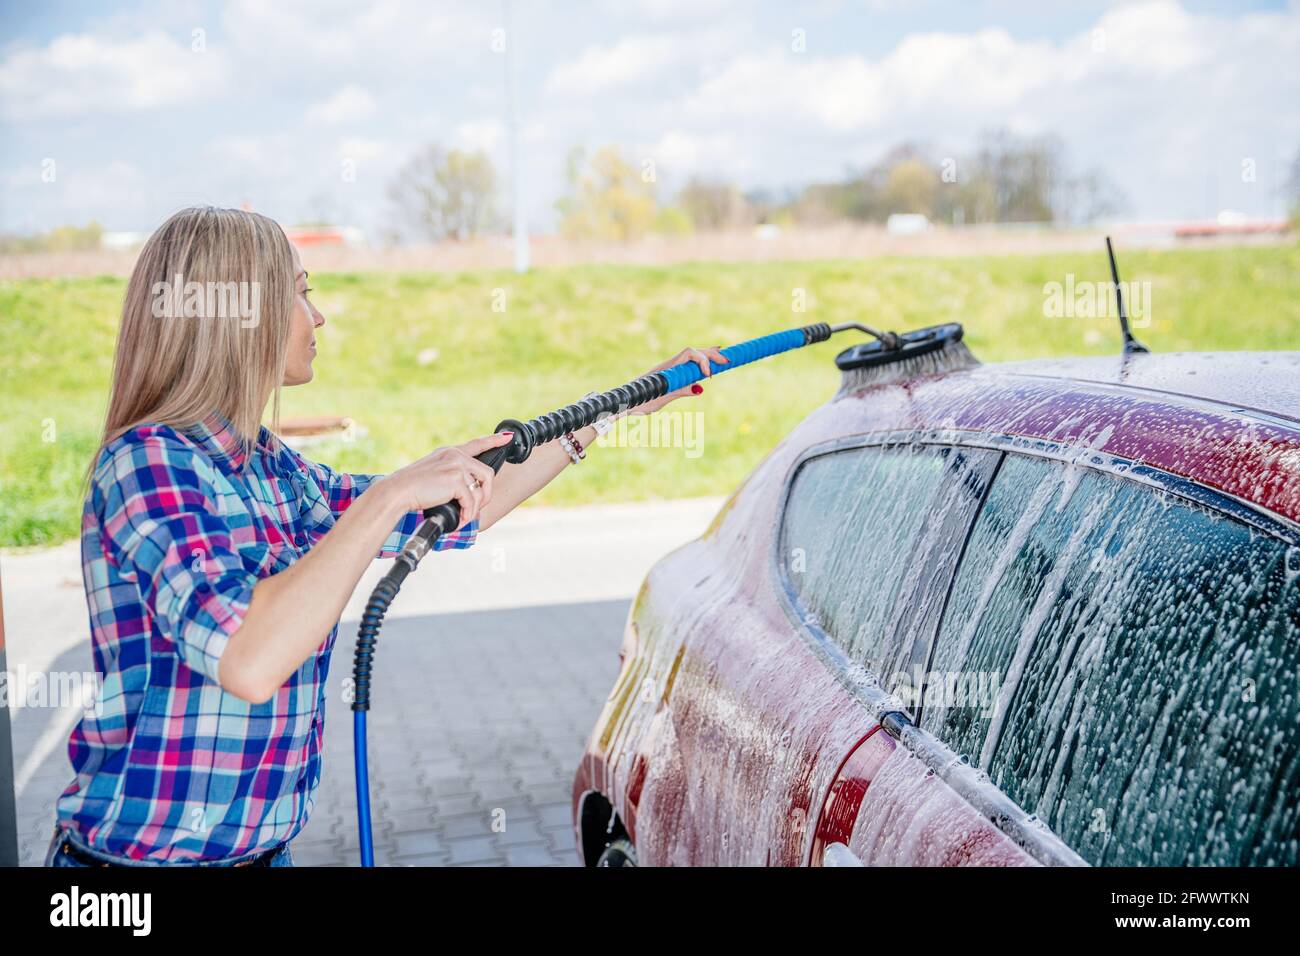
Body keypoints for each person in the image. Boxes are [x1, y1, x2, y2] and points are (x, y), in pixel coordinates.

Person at [45, 205, 726, 866]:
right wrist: (389, 494)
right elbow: (249, 660)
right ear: (239, 313)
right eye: (302, 294)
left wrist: (626, 404)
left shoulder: (270, 468)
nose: (318, 316)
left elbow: (469, 507)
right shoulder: (149, 464)